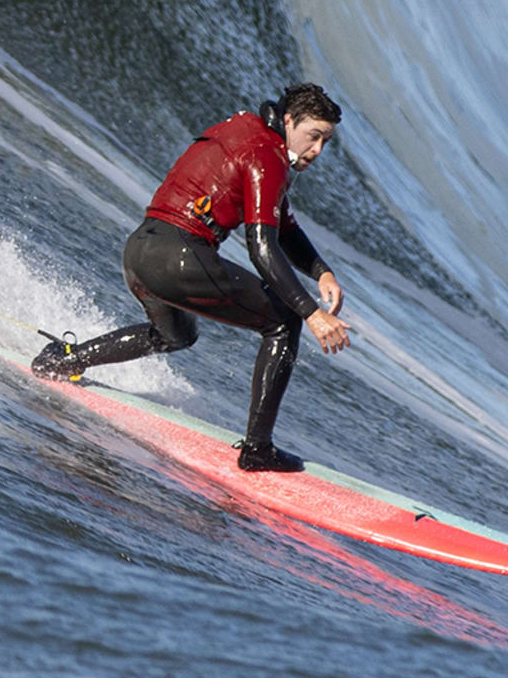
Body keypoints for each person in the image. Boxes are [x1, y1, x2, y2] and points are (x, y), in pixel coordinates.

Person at [32, 82, 356, 472]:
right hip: (178, 256)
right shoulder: (266, 156)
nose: (317, 150)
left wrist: (321, 271)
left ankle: (65, 360)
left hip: (139, 252)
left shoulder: (245, 132)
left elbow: (284, 229)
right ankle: (257, 450)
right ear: (288, 121)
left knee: (176, 334)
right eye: (314, 137)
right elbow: (262, 248)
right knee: (284, 321)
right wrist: (311, 313)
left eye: (325, 141)